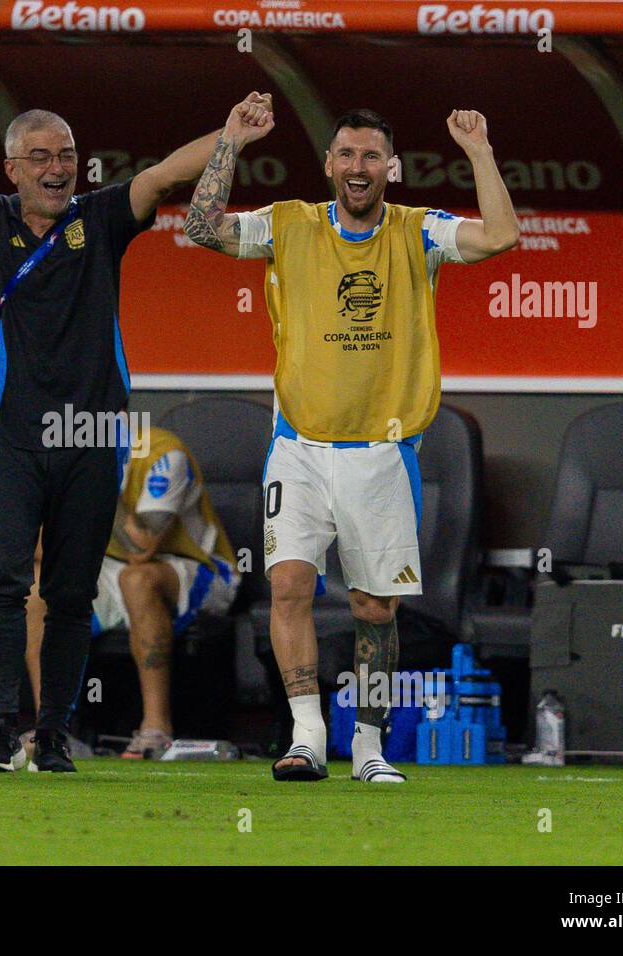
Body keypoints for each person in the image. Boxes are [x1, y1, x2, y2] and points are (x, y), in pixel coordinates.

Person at [0, 95, 270, 773]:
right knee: (4, 582)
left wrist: (229, 134)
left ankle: (52, 735)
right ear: (13, 167)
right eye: (42, 157)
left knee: (72, 594)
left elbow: (166, 175)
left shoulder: (102, 219)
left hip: (93, 437)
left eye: (68, 156)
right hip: (13, 438)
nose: (58, 168)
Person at [186, 102, 518, 783]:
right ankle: (307, 735)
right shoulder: (289, 225)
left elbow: (503, 236)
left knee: (374, 608)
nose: (357, 168)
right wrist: (230, 140)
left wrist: (480, 150)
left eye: (371, 156)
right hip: (298, 446)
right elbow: (200, 228)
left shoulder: (419, 233)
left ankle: (368, 745)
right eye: (346, 154)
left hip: (382, 452)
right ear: (329, 163)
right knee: (289, 587)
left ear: (389, 168)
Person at [24, 427, 240, 759]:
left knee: (138, 579)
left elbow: (143, 546)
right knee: (37, 589)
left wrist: (97, 480)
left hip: (200, 568)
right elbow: (38, 548)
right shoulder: (61, 457)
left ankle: (156, 728)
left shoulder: (164, 455)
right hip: (113, 565)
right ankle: (51, 729)